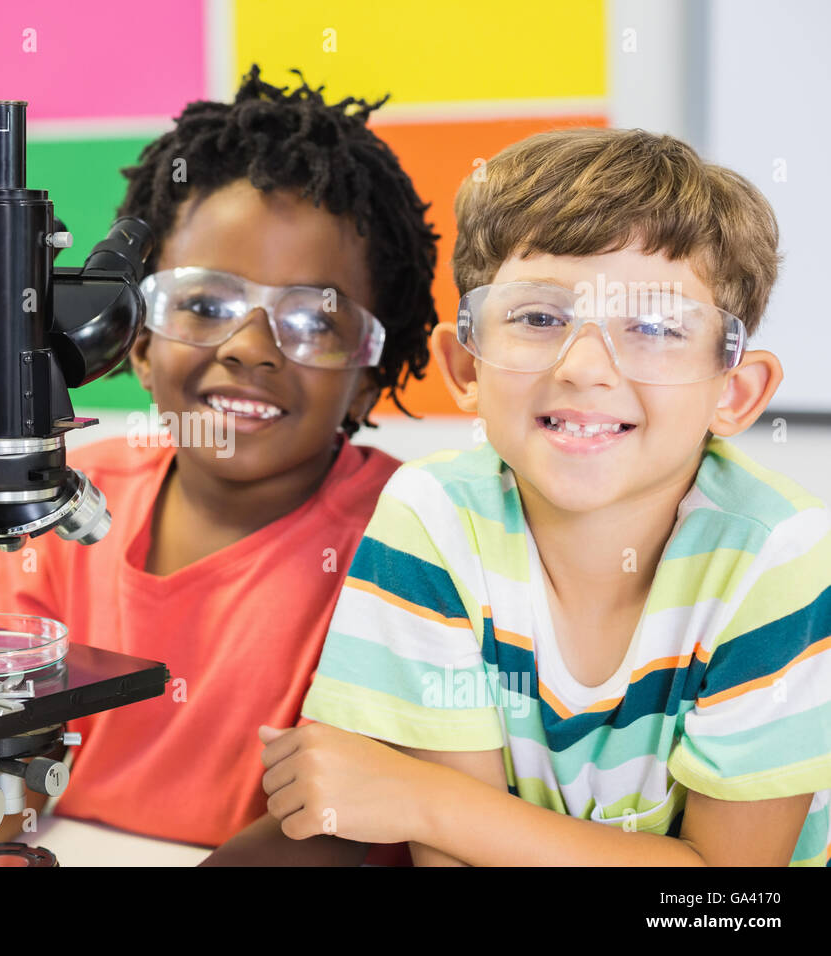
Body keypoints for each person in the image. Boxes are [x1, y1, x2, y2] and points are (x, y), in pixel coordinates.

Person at [263, 127, 831, 866]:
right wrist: (451, 821)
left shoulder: (776, 552)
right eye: (539, 318)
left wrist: (423, 800)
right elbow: (452, 860)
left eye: (656, 326)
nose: (586, 367)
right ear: (465, 367)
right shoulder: (434, 517)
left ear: (735, 392)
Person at [0, 64, 439, 864]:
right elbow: (0, 768)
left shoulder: (411, 534)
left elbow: (342, 816)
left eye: (314, 321)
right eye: (205, 306)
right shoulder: (56, 496)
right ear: (131, 335)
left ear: (370, 372)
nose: (250, 348)